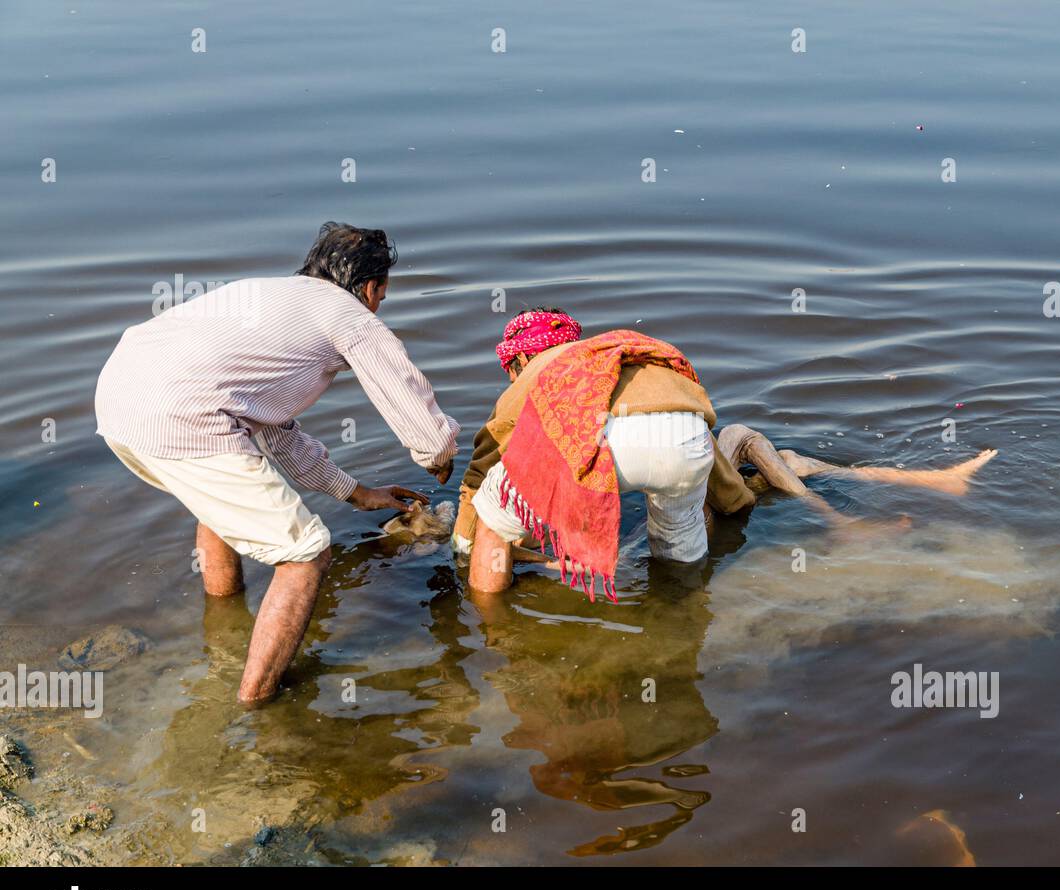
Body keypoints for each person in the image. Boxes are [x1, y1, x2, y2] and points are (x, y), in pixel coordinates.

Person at [94, 222, 459, 702]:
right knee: (305, 553)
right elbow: (417, 417)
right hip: (183, 415)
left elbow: (277, 435)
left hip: (120, 402)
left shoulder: (271, 298)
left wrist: (356, 493)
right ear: (371, 287)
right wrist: (439, 456)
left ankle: (224, 624)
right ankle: (257, 703)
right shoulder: (351, 316)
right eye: (381, 298)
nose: (377, 307)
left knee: (218, 505)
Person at [454, 310, 755, 600]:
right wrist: (737, 502)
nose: (510, 380)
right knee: (678, 550)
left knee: (493, 506)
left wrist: (465, 543)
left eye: (509, 370)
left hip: (617, 443)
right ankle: (682, 611)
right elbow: (704, 443)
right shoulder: (621, 354)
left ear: (520, 358)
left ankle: (488, 620)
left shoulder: (540, 369)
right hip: (687, 439)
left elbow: (485, 466)